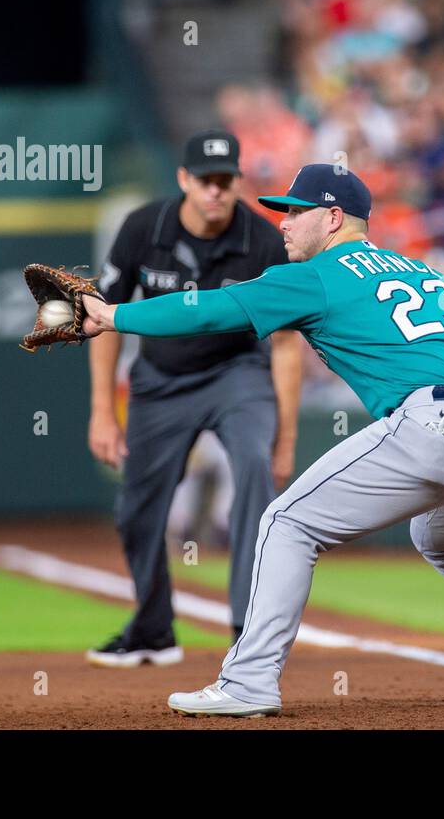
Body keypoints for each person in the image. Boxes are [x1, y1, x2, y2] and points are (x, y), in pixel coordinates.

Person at [78, 163, 444, 715]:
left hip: (438, 423)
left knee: (285, 523)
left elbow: (207, 309)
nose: (283, 224)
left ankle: (248, 682)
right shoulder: (417, 268)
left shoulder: (317, 276)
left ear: (331, 218)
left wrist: (113, 314)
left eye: (295, 213)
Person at [85, 130, 303, 667]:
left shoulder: (262, 240)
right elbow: (103, 321)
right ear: (184, 179)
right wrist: (100, 414)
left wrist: (285, 439)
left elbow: (286, 344)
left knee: (253, 468)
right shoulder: (144, 228)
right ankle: (153, 629)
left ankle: (246, 631)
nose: (215, 190)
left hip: (237, 373)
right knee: (137, 508)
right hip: (160, 381)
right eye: (205, 180)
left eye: (225, 180)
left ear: (236, 182)